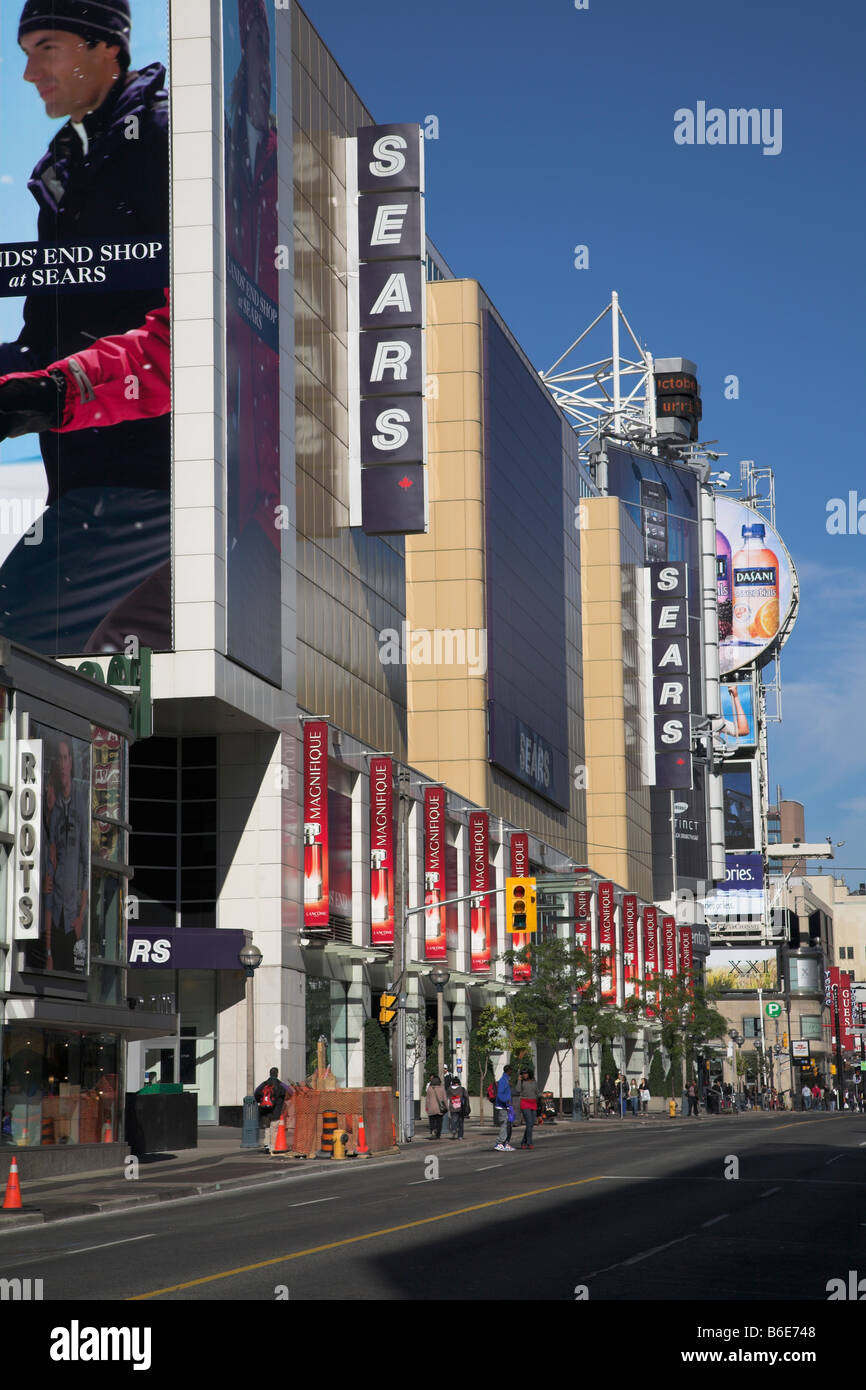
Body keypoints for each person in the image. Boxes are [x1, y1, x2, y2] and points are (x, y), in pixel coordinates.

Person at [0, 0, 171, 654]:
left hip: (145, 479)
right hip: (93, 477)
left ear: (107, 46)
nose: (28, 73)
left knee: (14, 645)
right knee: (113, 698)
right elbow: (42, 341)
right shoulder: (65, 171)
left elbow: (199, 325)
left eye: (47, 46)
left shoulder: (161, 138)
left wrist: (51, 392)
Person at [44, 739, 88, 973]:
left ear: (71, 762)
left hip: (75, 922)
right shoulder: (55, 811)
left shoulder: (81, 802)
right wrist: (48, 952)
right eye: (58, 759)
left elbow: (87, 864)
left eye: (65, 758)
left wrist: (81, 915)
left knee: (77, 975)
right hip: (58, 921)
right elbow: (50, 867)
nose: (62, 764)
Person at [254, 1067, 289, 1151]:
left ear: (269, 1074)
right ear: (277, 1074)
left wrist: (260, 1101)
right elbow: (290, 1091)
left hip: (265, 1110)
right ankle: (272, 1147)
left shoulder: (264, 1084)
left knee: (267, 1128)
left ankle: (266, 1145)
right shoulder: (281, 1085)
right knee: (274, 1129)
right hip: (276, 1111)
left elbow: (256, 1092)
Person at [517, 1067, 539, 1148]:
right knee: (529, 1122)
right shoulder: (522, 1082)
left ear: (529, 1074)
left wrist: (541, 1096)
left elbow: (537, 1092)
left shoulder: (534, 1082)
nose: (524, 1075)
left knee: (531, 1123)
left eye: (526, 1073)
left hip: (533, 1103)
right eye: (523, 1074)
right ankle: (530, 1143)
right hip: (525, 1103)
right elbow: (518, 1090)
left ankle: (523, 1141)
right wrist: (519, 1080)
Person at [494, 1065, 514, 1151]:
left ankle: (505, 1143)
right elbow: (500, 1094)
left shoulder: (506, 1080)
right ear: (508, 1071)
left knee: (508, 1125)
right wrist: (506, 1101)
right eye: (511, 1071)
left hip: (506, 1106)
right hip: (502, 1107)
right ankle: (499, 1143)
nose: (512, 1072)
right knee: (504, 1124)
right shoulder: (503, 1081)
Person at [446, 1075, 468, 1139]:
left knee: (453, 1119)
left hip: (452, 1107)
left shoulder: (449, 1089)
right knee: (461, 1122)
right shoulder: (462, 1089)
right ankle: (460, 1135)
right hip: (461, 1108)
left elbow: (446, 1097)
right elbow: (466, 1098)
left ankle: (453, 1129)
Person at [425, 1074, 447, 1139]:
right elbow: (445, 1099)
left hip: (431, 1108)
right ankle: (438, 1135)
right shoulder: (442, 1088)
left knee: (431, 1121)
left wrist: (426, 1107)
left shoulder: (429, 1089)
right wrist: (447, 1107)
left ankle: (432, 1131)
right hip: (439, 1109)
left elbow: (427, 1099)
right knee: (439, 1122)